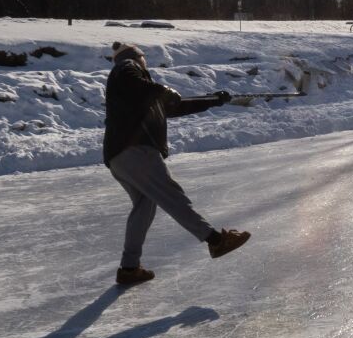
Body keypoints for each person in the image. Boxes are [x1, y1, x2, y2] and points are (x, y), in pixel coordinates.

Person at [103, 42, 249, 287]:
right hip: (135, 149)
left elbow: (174, 106)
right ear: (137, 57)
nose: (144, 62)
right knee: (171, 195)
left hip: (119, 156)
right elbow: (148, 88)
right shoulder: (127, 68)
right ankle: (215, 240)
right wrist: (162, 89)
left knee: (144, 206)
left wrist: (213, 101)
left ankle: (129, 268)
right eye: (143, 58)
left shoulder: (138, 94)